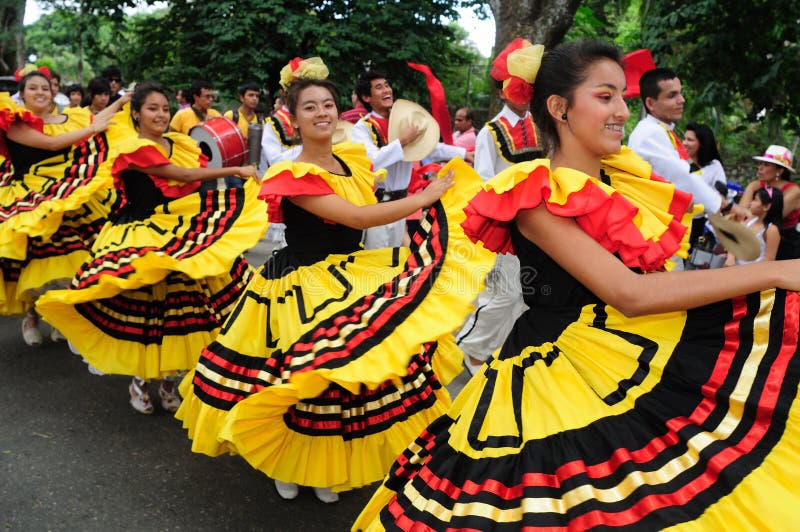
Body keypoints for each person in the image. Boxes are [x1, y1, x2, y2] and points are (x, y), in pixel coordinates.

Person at [354, 38, 800, 531]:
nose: (621, 111)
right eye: (605, 96)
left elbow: (649, 283)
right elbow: (628, 294)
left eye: (623, 98)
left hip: (621, 354)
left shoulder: (622, 181)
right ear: (559, 108)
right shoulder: (535, 193)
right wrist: (775, 271)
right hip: (556, 374)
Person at [176, 73, 492, 505]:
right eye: (310, 107)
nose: (321, 113)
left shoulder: (351, 160)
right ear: (294, 117)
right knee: (301, 380)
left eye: (327, 104)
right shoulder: (293, 171)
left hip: (352, 276)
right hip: (300, 286)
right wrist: (423, 198)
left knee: (341, 381)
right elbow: (358, 217)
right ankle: (286, 464)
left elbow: (365, 211)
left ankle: (321, 465)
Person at [35, 81, 266, 415]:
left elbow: (189, 178)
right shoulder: (133, 147)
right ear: (137, 113)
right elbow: (182, 175)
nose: (160, 114)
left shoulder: (179, 142)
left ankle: (170, 383)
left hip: (177, 230)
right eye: (152, 108)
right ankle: (141, 382)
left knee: (186, 313)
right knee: (150, 315)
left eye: (164, 108)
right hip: (139, 235)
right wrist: (237, 169)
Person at [0, 71, 126, 346]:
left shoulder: (70, 118)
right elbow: (51, 143)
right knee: (35, 267)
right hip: (31, 202)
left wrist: (124, 100)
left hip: (66, 196)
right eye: (33, 88)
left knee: (73, 263)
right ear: (22, 94)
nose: (41, 92)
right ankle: (32, 316)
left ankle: (60, 317)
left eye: (45, 88)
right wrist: (93, 129)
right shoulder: (14, 121)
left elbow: (97, 120)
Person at [456, 38, 544, 376]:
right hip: (506, 226)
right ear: (505, 89)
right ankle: (471, 348)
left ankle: (504, 350)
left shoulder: (542, 127)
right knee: (504, 294)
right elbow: (483, 182)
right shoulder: (490, 132)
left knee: (527, 295)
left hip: (541, 224)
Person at [628, 68, 742, 253]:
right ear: (650, 103)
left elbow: (687, 172)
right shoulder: (650, 133)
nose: (681, 100)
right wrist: (725, 205)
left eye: (680, 93)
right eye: (672, 95)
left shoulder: (663, 132)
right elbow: (682, 176)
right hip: (654, 232)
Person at [352, 69, 468, 248]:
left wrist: (463, 153)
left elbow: (430, 146)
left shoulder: (402, 120)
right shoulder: (362, 128)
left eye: (387, 85)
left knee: (395, 260)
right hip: (377, 205)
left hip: (402, 204)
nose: (387, 90)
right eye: (379, 87)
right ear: (366, 97)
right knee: (375, 261)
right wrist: (403, 140)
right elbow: (372, 162)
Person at [739, 145, 800, 259]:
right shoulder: (756, 185)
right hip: (756, 236)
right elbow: (740, 213)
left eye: (766, 165)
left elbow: (772, 216)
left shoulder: (793, 191)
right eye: (761, 164)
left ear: (780, 171)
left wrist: (748, 213)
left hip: (785, 243)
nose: (760, 168)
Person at [725, 187, 783, 265]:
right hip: (735, 268)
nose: (750, 203)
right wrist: (731, 258)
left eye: (755, 200)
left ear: (766, 206)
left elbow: (769, 260)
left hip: (753, 274)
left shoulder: (771, 230)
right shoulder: (750, 220)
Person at [683, 121, 726, 187]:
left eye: (689, 140)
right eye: (684, 139)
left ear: (702, 143)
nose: (684, 143)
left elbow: (720, 195)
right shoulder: (681, 163)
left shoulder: (714, 166)